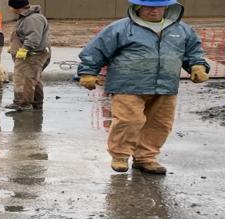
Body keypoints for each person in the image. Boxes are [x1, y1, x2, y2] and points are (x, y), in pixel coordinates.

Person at [75, 0, 208, 175]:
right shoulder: (121, 28)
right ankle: (120, 156)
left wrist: (197, 65)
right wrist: (87, 72)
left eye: (158, 6)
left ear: (167, 7)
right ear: (138, 7)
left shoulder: (181, 29)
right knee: (129, 121)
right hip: (127, 85)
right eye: (149, 7)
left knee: (159, 124)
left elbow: (193, 51)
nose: (154, 10)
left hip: (166, 85)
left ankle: (145, 158)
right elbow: (96, 50)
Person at [3, 0, 49, 112]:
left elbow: (33, 38)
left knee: (23, 79)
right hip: (30, 54)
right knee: (33, 79)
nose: (10, 9)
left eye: (10, 6)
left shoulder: (32, 19)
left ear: (16, 7)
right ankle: (36, 104)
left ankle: (22, 104)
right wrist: (14, 47)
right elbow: (22, 35)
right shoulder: (26, 17)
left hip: (32, 55)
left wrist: (24, 49)